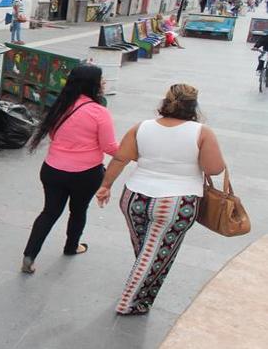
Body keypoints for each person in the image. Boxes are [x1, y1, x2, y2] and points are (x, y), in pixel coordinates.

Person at [95, 84, 225, 315]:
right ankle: (130, 302)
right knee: (154, 254)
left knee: (146, 250)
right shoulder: (202, 132)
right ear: (194, 107)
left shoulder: (141, 127)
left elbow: (120, 159)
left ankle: (142, 296)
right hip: (176, 202)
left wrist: (105, 186)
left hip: (134, 197)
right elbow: (213, 169)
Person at [21, 66, 118, 274]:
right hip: (86, 174)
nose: (103, 84)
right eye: (101, 80)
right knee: (78, 210)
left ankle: (29, 255)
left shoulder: (60, 106)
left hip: (52, 170)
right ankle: (71, 246)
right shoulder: (99, 112)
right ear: (93, 84)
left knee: (49, 212)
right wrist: (131, 152)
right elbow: (109, 146)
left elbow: (55, 136)